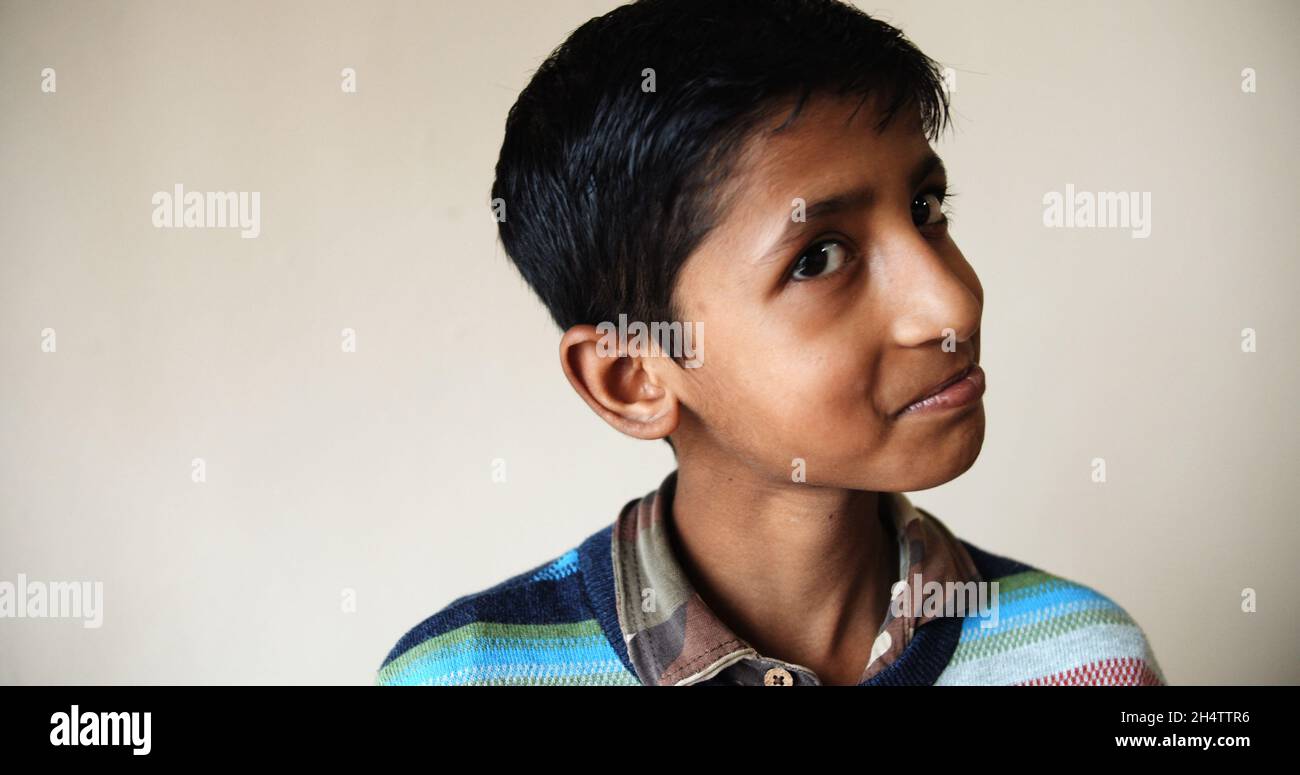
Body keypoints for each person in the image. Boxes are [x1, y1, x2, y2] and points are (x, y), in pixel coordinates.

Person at [377, 0, 1165, 686]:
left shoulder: (1084, 659)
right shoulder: (462, 673)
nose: (951, 301)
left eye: (926, 207)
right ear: (633, 378)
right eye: (818, 256)